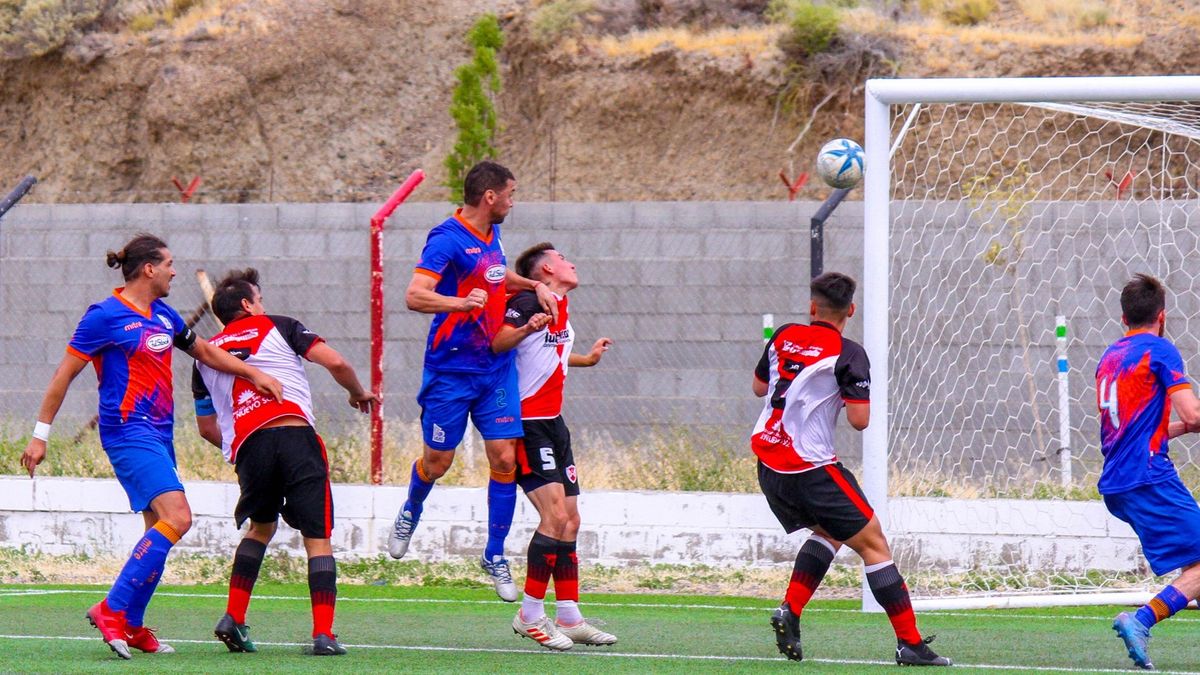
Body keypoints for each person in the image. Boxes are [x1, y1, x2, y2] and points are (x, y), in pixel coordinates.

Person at [19, 234, 283, 660]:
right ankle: (111, 609)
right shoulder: (104, 316)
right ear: (149, 269)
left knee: (156, 527)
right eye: (170, 264)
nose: (175, 271)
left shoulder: (163, 313)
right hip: (127, 432)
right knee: (178, 518)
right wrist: (40, 435)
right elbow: (63, 375)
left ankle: (134, 624)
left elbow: (206, 352)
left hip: (159, 435)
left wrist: (254, 374)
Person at [751, 272, 951, 667]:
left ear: (812, 308)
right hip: (809, 467)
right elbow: (860, 420)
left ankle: (790, 610)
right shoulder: (849, 353)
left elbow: (760, 388)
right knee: (874, 543)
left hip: (769, 465)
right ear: (851, 311)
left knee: (831, 532)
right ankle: (909, 643)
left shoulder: (783, 335)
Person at [387, 160, 557, 602]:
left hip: (495, 369)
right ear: (490, 197)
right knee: (438, 462)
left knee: (504, 458)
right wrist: (462, 303)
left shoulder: (491, 234)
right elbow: (414, 295)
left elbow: (496, 276)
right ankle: (411, 509)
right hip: (451, 371)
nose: (513, 202)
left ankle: (494, 553)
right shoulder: (446, 239)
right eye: (511, 194)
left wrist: (532, 285)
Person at [192, 268, 378, 657]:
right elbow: (338, 363)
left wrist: (243, 454)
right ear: (248, 304)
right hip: (294, 435)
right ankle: (324, 634)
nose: (263, 304)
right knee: (317, 536)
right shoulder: (279, 326)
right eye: (259, 298)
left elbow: (207, 428)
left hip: (249, 446)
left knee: (260, 529)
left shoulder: (204, 356)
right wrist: (357, 393)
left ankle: (233, 617)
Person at [490, 242, 615, 651]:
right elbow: (501, 341)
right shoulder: (527, 299)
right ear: (545, 268)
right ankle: (528, 615)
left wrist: (587, 360)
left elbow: (550, 355)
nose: (572, 262)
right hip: (528, 425)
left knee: (572, 520)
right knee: (555, 516)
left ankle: (569, 615)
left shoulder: (558, 303)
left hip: (555, 424)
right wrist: (526, 326)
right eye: (563, 258)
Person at [1098, 274, 1200, 671]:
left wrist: (1173, 428)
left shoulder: (1109, 358)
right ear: (1163, 315)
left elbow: (1131, 427)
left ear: (1123, 318)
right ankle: (1140, 620)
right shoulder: (1159, 350)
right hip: (1148, 477)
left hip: (1120, 481)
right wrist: (1189, 419)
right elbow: (1191, 411)